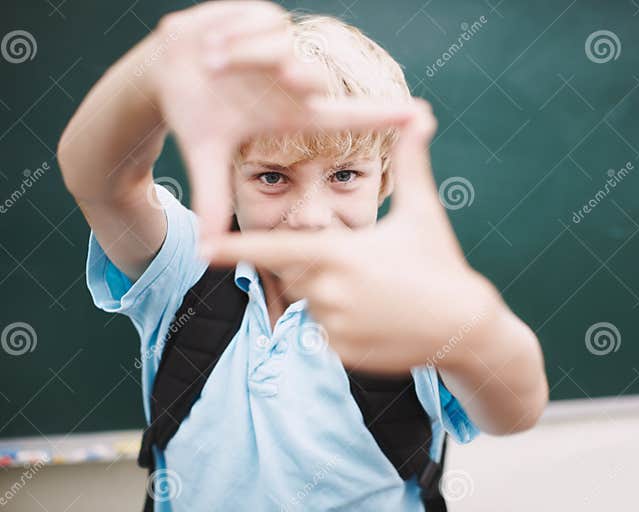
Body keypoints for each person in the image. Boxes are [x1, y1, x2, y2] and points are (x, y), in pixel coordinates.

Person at [57, 2, 548, 510]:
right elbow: (98, 178)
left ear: (384, 180)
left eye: (344, 176)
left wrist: (471, 329)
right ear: (228, 180)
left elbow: (514, 411)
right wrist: (157, 68)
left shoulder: (414, 302)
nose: (310, 217)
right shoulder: (186, 265)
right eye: (272, 177)